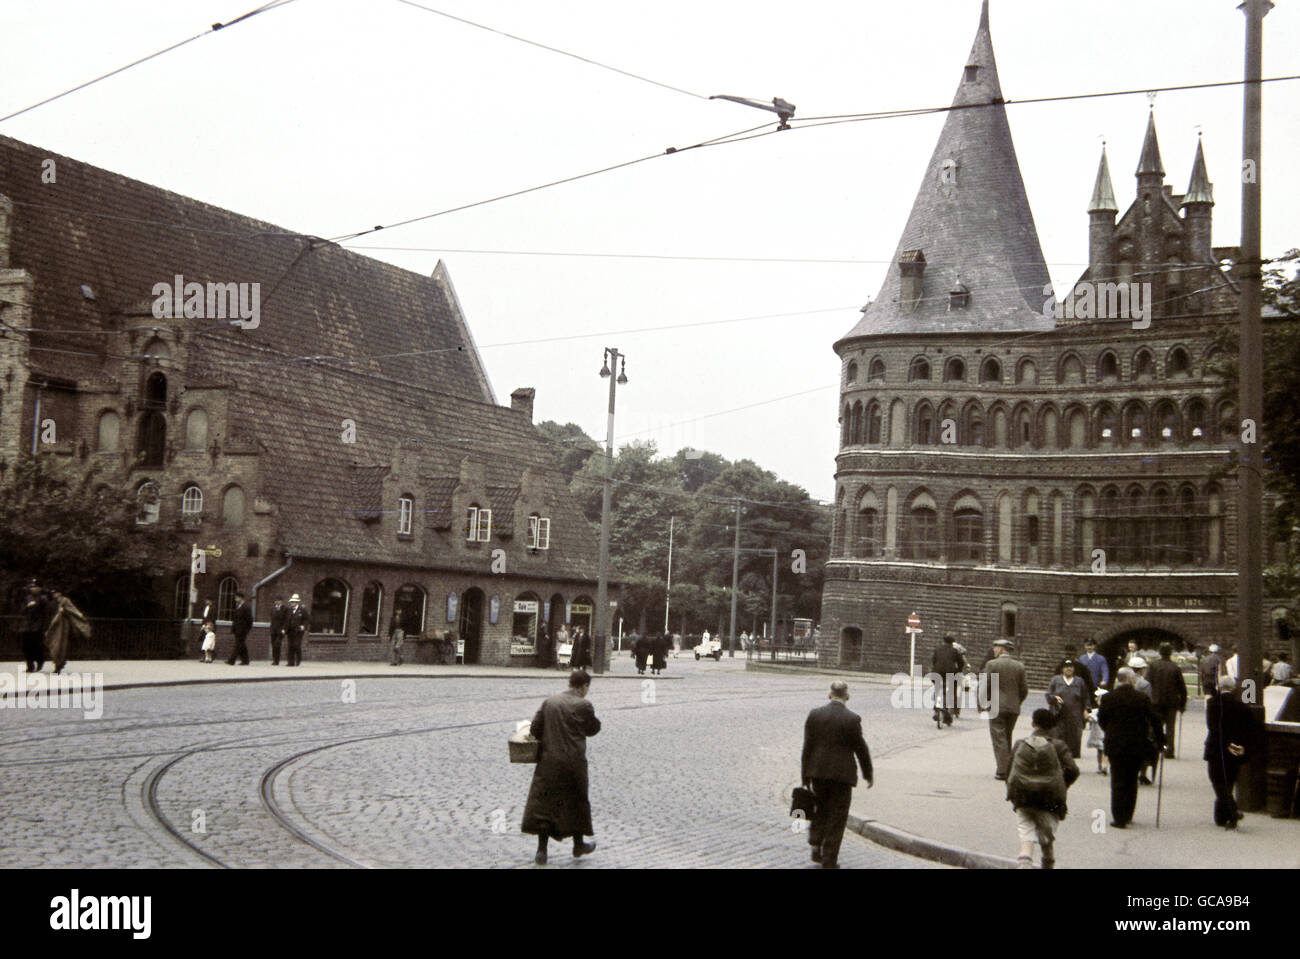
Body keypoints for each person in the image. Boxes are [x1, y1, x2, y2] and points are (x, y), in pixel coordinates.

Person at [521, 669, 601, 864]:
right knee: (577, 801)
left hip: (549, 761)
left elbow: (534, 729)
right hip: (574, 762)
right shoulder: (584, 705)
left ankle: (542, 851)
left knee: (545, 804)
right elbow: (593, 729)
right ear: (584, 687)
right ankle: (578, 844)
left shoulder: (550, 702)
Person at [801, 681, 873, 869]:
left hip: (818, 773)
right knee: (837, 817)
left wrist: (805, 775)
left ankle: (816, 842)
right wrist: (868, 773)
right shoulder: (852, 719)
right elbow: (861, 749)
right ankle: (829, 859)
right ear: (846, 696)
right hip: (842, 776)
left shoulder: (815, 715)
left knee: (821, 809)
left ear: (829, 694)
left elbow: (807, 747)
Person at [1006, 708, 1079, 869]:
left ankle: (1024, 862)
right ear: (1052, 727)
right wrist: (1061, 784)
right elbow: (1073, 770)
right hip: (1050, 800)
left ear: (1033, 723)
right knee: (1046, 837)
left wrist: (1014, 791)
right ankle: (1048, 862)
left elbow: (1008, 770)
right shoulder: (1059, 746)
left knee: (1026, 833)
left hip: (1024, 798)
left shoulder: (1020, 744)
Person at [1097, 667, 1165, 828]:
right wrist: (1161, 741)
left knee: (1118, 780)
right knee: (1131, 780)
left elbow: (1102, 719)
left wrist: (1111, 731)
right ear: (1131, 680)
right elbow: (1155, 720)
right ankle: (1128, 813)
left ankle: (1119, 817)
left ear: (1118, 680)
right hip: (1136, 744)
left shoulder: (1108, 698)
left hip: (1115, 745)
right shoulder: (1141, 698)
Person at [1204, 674, 1263, 829]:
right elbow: (1249, 730)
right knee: (1228, 782)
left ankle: (1232, 810)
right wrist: (1240, 745)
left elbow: (1213, 727)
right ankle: (1222, 816)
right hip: (1235, 749)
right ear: (1234, 688)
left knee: (1217, 781)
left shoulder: (1212, 703)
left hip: (1216, 748)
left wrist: (1225, 742)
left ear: (1219, 687)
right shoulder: (1242, 707)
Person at [981, 639, 1028, 780]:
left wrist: (982, 703)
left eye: (995, 648)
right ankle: (1009, 766)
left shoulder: (992, 664)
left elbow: (985, 686)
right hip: (1013, 707)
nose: (994, 650)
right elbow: (1024, 689)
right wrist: (1017, 702)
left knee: (999, 739)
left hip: (996, 707)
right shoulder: (1019, 666)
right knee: (1007, 737)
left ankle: (1003, 770)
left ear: (1002, 649)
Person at [1147, 642, 1187, 758]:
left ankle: (1155, 748)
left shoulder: (1153, 666)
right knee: (1170, 728)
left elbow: (1147, 684)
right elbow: (1182, 688)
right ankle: (1170, 750)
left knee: (1155, 726)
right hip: (1171, 702)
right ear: (1170, 653)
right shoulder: (1175, 667)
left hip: (1155, 702)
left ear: (1159, 652)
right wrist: (1182, 704)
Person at [1047, 660, 1088, 758]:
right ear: (1062, 669)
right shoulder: (1056, 680)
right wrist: (1055, 698)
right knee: (1058, 735)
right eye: (1066, 667)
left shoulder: (1079, 681)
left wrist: (1086, 710)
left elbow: (1085, 697)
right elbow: (1049, 694)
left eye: (1071, 667)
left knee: (1074, 737)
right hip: (1059, 713)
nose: (1069, 669)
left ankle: (1071, 761)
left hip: (1075, 713)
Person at [43, 590, 88, 675]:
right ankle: (58, 663)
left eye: (56, 592)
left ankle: (58, 665)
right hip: (53, 628)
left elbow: (74, 612)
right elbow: (48, 613)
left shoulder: (65, 601)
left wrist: (64, 611)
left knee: (60, 647)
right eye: (53, 593)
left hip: (63, 628)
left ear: (60, 593)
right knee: (53, 646)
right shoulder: (52, 602)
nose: (54, 595)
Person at [930, 635, 965, 727]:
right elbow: (961, 662)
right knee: (951, 691)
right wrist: (959, 671)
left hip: (937, 672)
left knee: (937, 689)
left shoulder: (937, 649)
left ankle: (937, 707)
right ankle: (946, 709)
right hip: (950, 673)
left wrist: (936, 668)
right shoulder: (954, 651)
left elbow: (933, 660)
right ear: (952, 643)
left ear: (943, 641)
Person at [18, 580, 51, 673]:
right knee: (26, 646)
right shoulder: (27, 598)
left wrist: (45, 626)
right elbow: (22, 611)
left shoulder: (43, 599)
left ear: (40, 588)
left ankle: (40, 661)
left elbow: (47, 613)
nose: (33, 589)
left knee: (37, 646)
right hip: (27, 626)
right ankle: (29, 665)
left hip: (38, 626)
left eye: (35, 587)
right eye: (32, 587)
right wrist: (28, 606)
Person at [226, 591, 253, 665]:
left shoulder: (246, 607)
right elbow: (235, 619)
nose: (235, 599)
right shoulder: (238, 607)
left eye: (237, 598)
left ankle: (232, 660)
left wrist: (246, 630)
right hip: (237, 630)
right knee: (242, 645)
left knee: (237, 645)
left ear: (241, 598)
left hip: (242, 630)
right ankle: (245, 660)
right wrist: (233, 628)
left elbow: (250, 620)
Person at [284, 594, 309, 666]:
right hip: (290, 631)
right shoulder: (289, 610)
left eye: (294, 602)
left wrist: (304, 626)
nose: (292, 603)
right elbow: (286, 621)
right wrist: (284, 629)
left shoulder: (302, 610)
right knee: (290, 646)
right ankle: (290, 662)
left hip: (298, 631)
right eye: (291, 602)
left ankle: (298, 659)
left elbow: (307, 619)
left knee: (296, 645)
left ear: (297, 602)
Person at [269, 598, 287, 665]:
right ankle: (274, 659)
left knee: (277, 644)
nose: (277, 602)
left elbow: (286, 620)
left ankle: (277, 660)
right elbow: (271, 618)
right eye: (276, 601)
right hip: (273, 630)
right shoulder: (272, 609)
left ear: (281, 601)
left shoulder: (285, 609)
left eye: (278, 600)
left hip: (280, 630)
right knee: (273, 645)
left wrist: (284, 629)